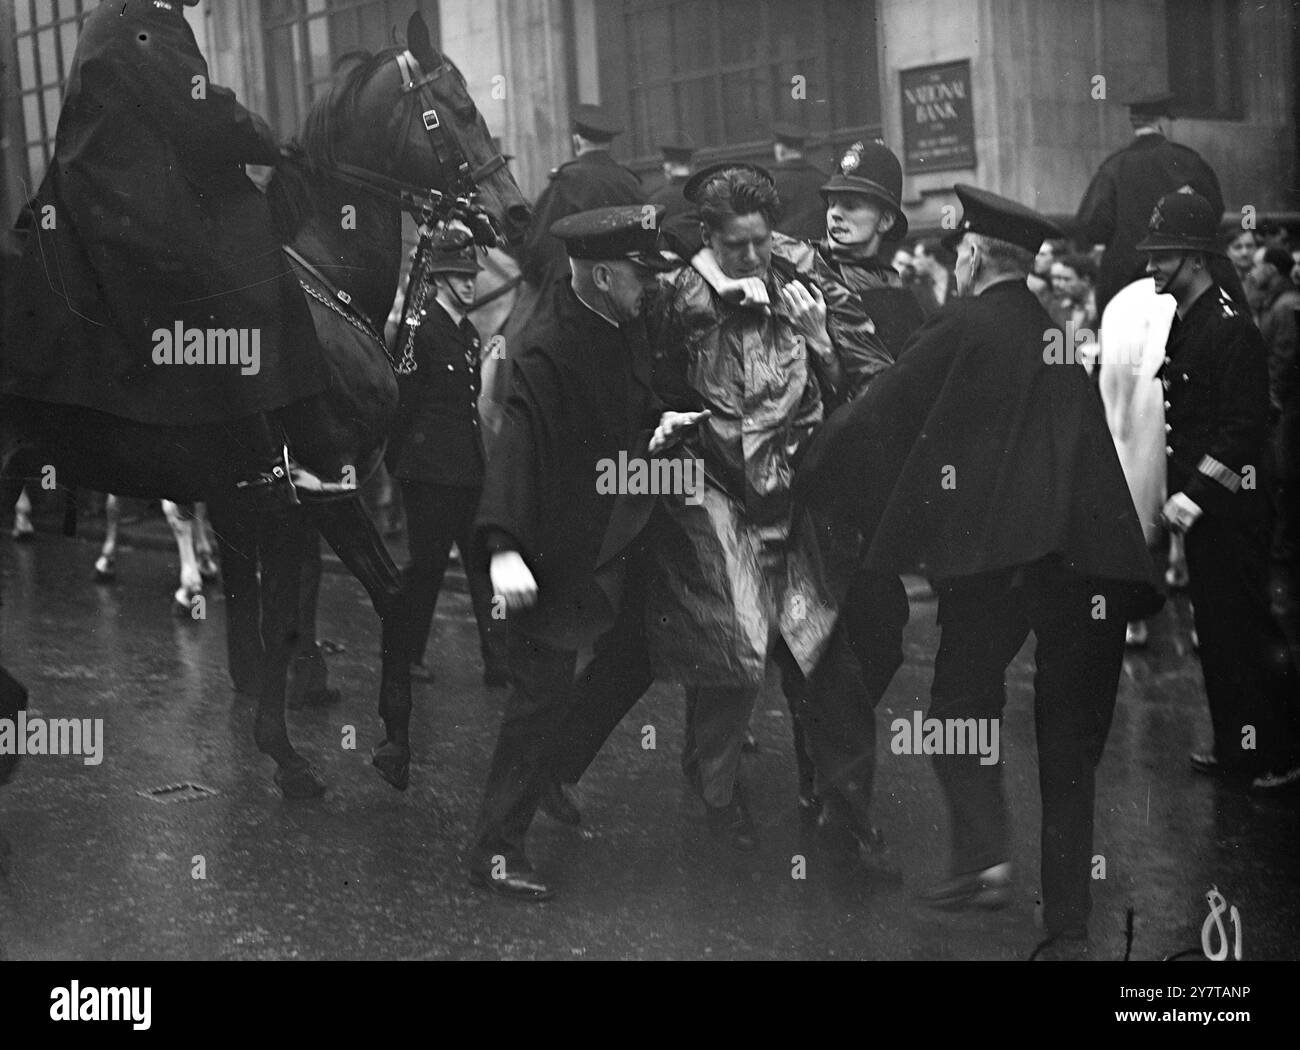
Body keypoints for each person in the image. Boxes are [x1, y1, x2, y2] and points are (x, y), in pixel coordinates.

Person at [795, 184, 1162, 958]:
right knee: (1067, 748)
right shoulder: (1054, 331)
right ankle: (1065, 923)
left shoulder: (960, 323)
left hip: (1000, 561)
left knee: (960, 704)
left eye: (957, 252)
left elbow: (880, 413)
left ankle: (983, 861)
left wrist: (800, 468)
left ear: (969, 255)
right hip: (1088, 565)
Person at [2, 0, 322, 506]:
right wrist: (265, 139)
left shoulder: (117, 14)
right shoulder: (145, 18)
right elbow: (197, 109)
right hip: (126, 201)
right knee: (241, 272)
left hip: (100, 195)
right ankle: (260, 455)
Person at [641, 164, 855, 852]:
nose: (756, 256)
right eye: (739, 246)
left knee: (807, 644)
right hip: (715, 497)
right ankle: (718, 799)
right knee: (732, 656)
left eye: (764, 240)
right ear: (708, 236)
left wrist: (819, 338)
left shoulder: (799, 276)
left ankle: (819, 789)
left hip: (794, 493)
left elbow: (844, 383)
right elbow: (654, 392)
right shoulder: (676, 299)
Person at [467, 205, 677, 901]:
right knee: (540, 695)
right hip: (550, 549)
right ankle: (495, 850)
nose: (652, 286)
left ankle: (556, 767)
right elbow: (518, 446)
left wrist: (662, 431)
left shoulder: (625, 323)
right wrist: (502, 549)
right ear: (603, 273)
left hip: (615, 532)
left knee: (637, 653)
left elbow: (630, 417)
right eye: (641, 274)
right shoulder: (547, 348)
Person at [1140, 192, 1300, 793]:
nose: (1151, 266)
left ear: (1196, 258)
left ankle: (1282, 751)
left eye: (1162, 256)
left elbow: (1244, 426)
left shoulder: (1228, 326)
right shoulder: (1194, 316)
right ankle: (1239, 745)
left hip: (1233, 503)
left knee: (1248, 629)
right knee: (1218, 628)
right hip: (1212, 506)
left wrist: (1197, 492)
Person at [385, 225, 508, 687]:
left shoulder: (470, 334)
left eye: (471, 274)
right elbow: (403, 405)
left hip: (468, 469)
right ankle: (408, 656)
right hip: (430, 473)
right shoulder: (420, 334)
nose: (469, 282)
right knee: (427, 568)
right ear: (436, 280)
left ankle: (499, 661)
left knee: (480, 566)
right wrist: (403, 468)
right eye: (458, 275)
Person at [1073, 92, 1224, 317]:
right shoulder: (1188, 161)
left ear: (1133, 122)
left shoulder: (1113, 166)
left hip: (1123, 280)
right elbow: (1214, 211)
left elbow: (1092, 225)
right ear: (1162, 121)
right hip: (1181, 275)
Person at [769, 123, 827, 241]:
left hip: (782, 254)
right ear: (803, 149)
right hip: (819, 253)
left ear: (780, 150)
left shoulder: (768, 183)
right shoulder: (823, 179)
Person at [646, 132, 696, 227]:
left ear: (668, 167)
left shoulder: (654, 201)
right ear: (691, 165)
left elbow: (646, 236)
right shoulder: (704, 195)